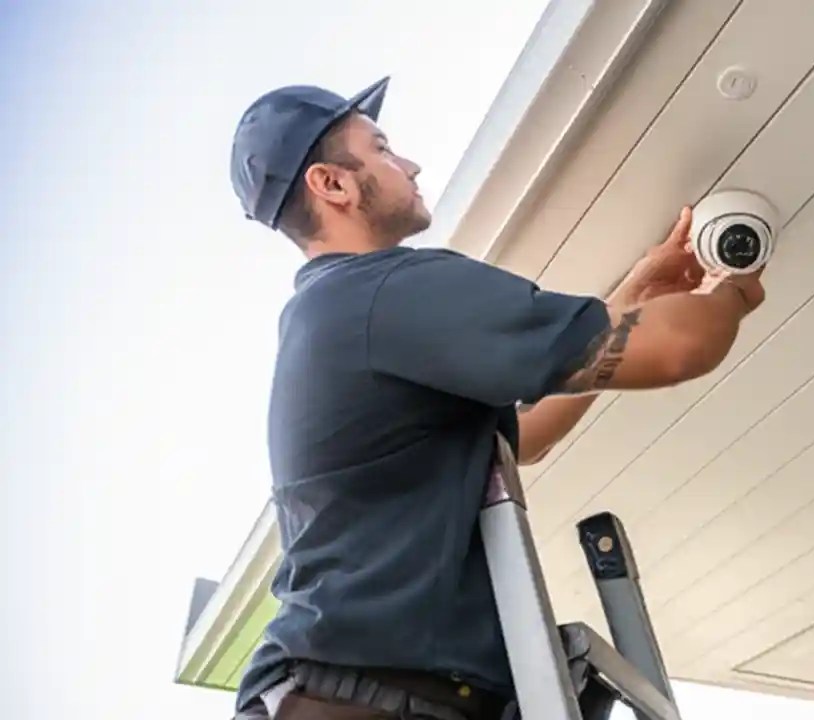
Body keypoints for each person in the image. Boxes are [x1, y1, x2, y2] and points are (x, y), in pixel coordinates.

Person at [226, 76, 765, 719]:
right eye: (382, 148)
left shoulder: (334, 314)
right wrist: (733, 287)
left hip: (360, 693)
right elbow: (679, 349)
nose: (409, 164)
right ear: (333, 184)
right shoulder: (386, 292)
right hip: (360, 698)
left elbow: (522, 438)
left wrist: (634, 297)